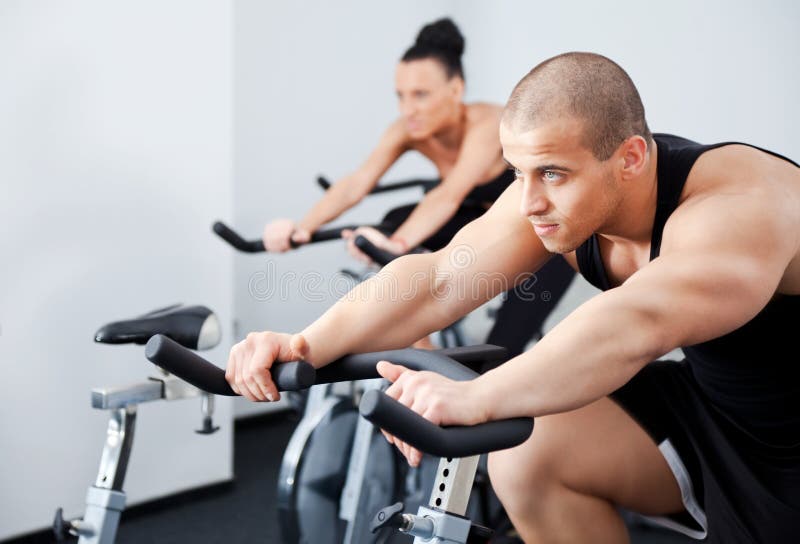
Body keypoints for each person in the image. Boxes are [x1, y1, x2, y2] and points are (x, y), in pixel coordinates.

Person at [227, 52, 800, 543]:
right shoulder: (563, 202)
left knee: (508, 409)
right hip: (717, 414)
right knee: (527, 451)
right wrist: (304, 344)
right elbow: (440, 280)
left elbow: (637, 322)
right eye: (517, 172)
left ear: (629, 158)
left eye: (551, 173)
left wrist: (477, 397)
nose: (527, 202)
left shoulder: (739, 205)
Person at [261, 17, 574, 356]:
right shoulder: (408, 129)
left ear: (456, 90)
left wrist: (396, 245)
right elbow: (356, 183)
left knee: (499, 351)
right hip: (477, 227)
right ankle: (418, 342)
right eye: (401, 96)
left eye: (421, 95)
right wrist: (302, 228)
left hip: (540, 236)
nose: (408, 109)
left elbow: (447, 195)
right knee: (396, 215)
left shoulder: (487, 124)